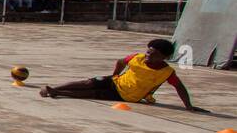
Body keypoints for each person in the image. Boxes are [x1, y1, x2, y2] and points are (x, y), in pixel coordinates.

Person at [39, 39, 205, 110]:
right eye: (148, 51)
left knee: (90, 93)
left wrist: (188, 106)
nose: (148, 55)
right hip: (116, 82)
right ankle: (53, 88)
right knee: (88, 82)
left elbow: (179, 87)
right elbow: (120, 61)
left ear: (164, 57)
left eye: (153, 54)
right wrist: (115, 75)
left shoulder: (166, 72)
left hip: (126, 96)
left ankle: (57, 93)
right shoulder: (136, 57)